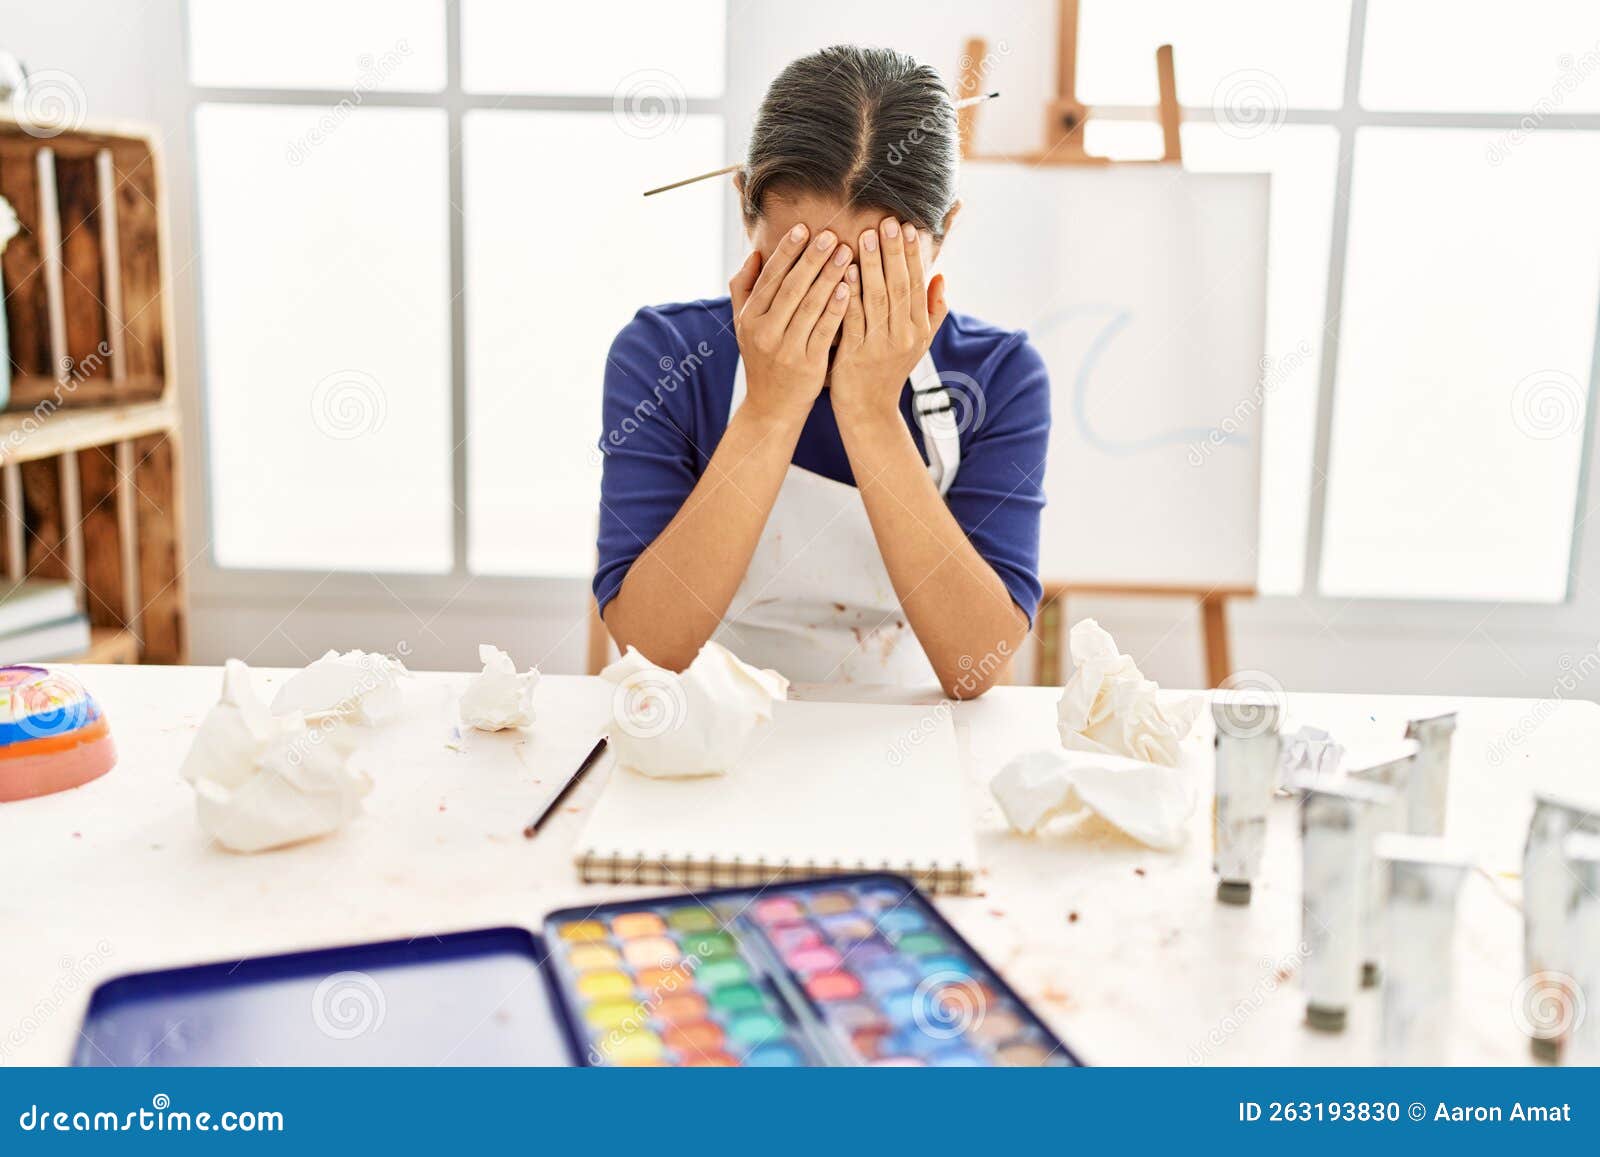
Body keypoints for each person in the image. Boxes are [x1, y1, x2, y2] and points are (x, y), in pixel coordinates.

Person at [594, 45, 1050, 698]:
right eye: (801, 266)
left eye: (870, 275)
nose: (830, 308)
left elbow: (975, 662)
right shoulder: (663, 354)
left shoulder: (999, 375)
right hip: (705, 731)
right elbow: (651, 653)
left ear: (942, 234)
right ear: (744, 211)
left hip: (909, 738)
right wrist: (770, 408)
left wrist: (869, 412)